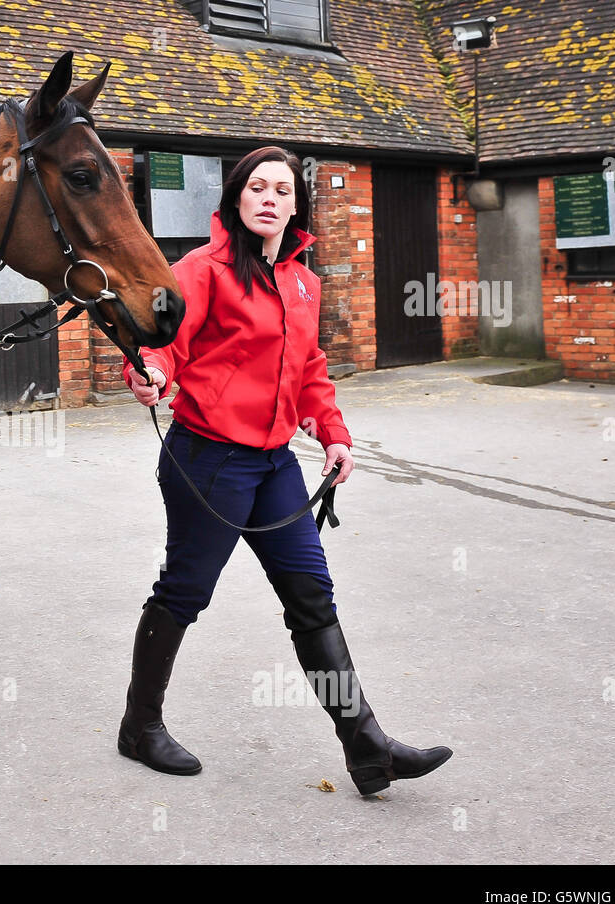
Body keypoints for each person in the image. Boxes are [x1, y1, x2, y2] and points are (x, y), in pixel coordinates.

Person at [117, 146, 452, 795]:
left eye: (281, 189)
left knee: (311, 597)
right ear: (237, 200)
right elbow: (162, 342)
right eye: (256, 187)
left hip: (274, 464)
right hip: (207, 457)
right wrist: (149, 372)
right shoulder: (202, 270)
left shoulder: (303, 280)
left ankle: (367, 747)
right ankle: (140, 725)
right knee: (184, 591)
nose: (269, 197)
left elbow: (308, 367)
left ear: (295, 205)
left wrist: (332, 433)